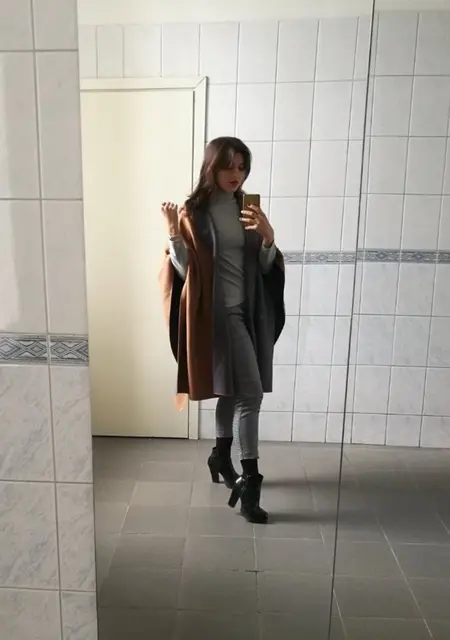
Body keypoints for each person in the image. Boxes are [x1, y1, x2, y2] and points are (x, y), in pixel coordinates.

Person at [159, 136, 285, 523]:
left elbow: (265, 268)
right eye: (229, 166)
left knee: (233, 390)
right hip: (218, 317)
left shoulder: (247, 208)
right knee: (251, 395)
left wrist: (268, 237)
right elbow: (186, 272)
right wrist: (174, 234)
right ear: (211, 167)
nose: (236, 174)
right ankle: (250, 482)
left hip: (248, 312)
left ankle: (219, 456)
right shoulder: (194, 213)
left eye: (242, 167)